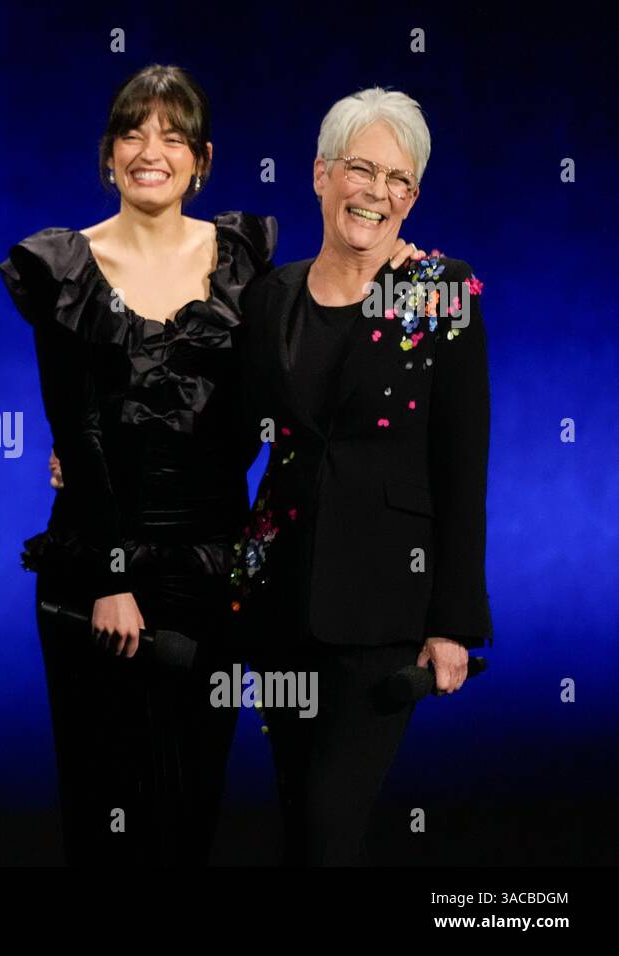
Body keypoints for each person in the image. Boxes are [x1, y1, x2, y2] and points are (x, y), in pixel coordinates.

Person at [0, 64, 276, 865]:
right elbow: (75, 429)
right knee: (106, 806)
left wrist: (420, 276)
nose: (151, 149)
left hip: (213, 561)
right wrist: (113, 580)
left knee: (191, 803)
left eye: (173, 134)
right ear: (108, 153)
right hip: (98, 561)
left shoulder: (244, 259)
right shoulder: (63, 266)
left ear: (202, 158)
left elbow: (275, 392)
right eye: (133, 131)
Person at [232, 87, 492, 865]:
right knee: (293, 806)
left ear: (413, 197)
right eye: (360, 169)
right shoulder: (271, 296)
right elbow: (229, 436)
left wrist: (453, 621)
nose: (377, 192)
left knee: (326, 825)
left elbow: (463, 461)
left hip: (384, 611)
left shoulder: (440, 290)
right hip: (276, 600)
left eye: (398, 180)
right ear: (320, 174)